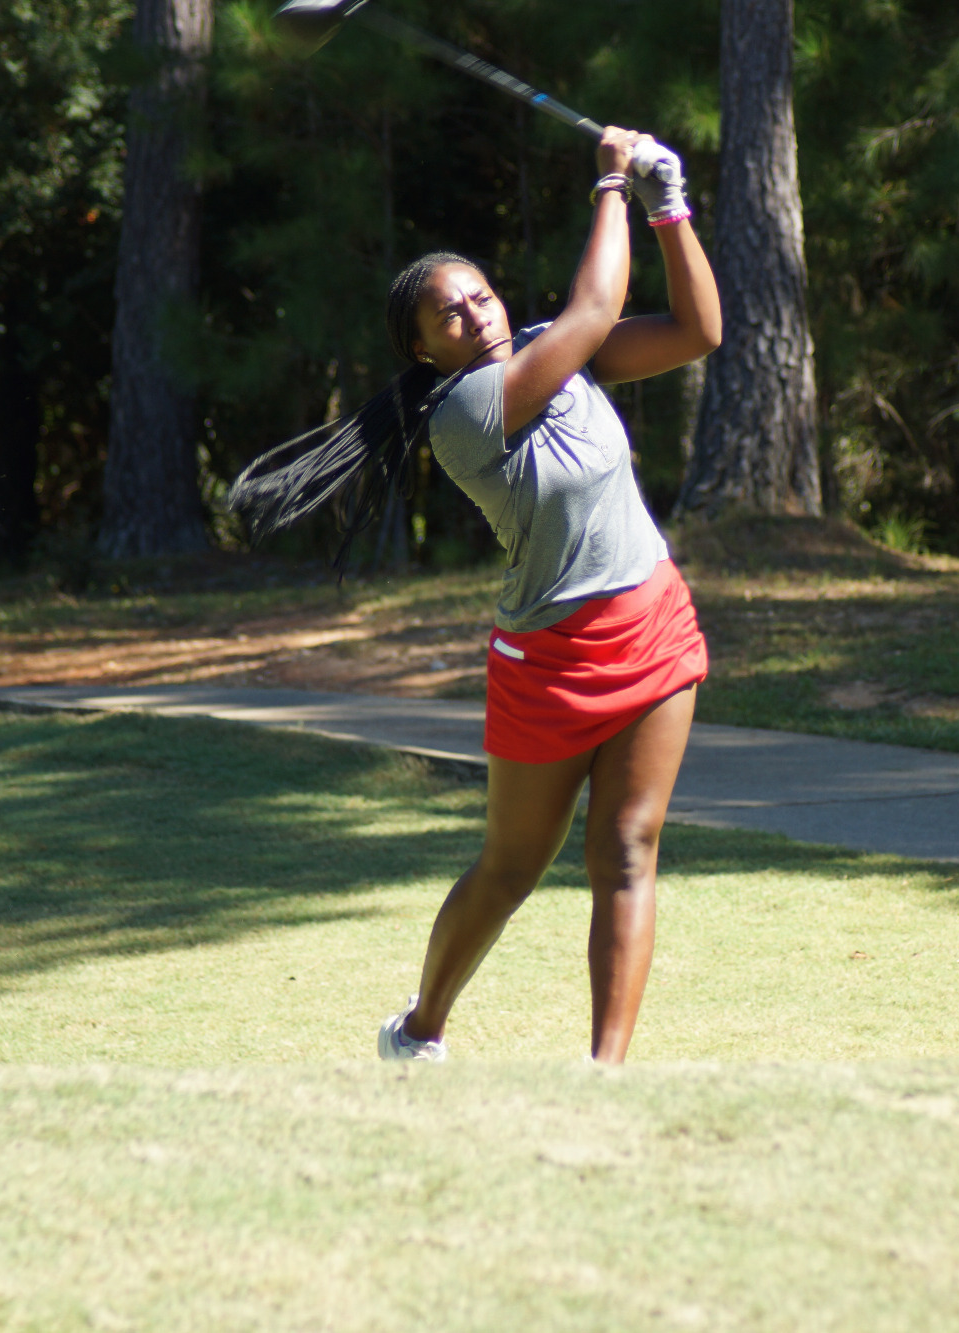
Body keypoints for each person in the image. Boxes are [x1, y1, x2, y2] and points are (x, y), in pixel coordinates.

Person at [228, 126, 719, 1064]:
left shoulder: (553, 352)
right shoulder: (466, 408)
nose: (477, 316)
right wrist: (612, 180)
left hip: (650, 621)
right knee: (509, 869)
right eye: (449, 315)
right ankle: (419, 1029)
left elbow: (700, 331)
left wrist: (670, 206)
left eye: (481, 296)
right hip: (548, 662)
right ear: (422, 349)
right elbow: (598, 303)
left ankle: (605, 1074)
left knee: (627, 849)